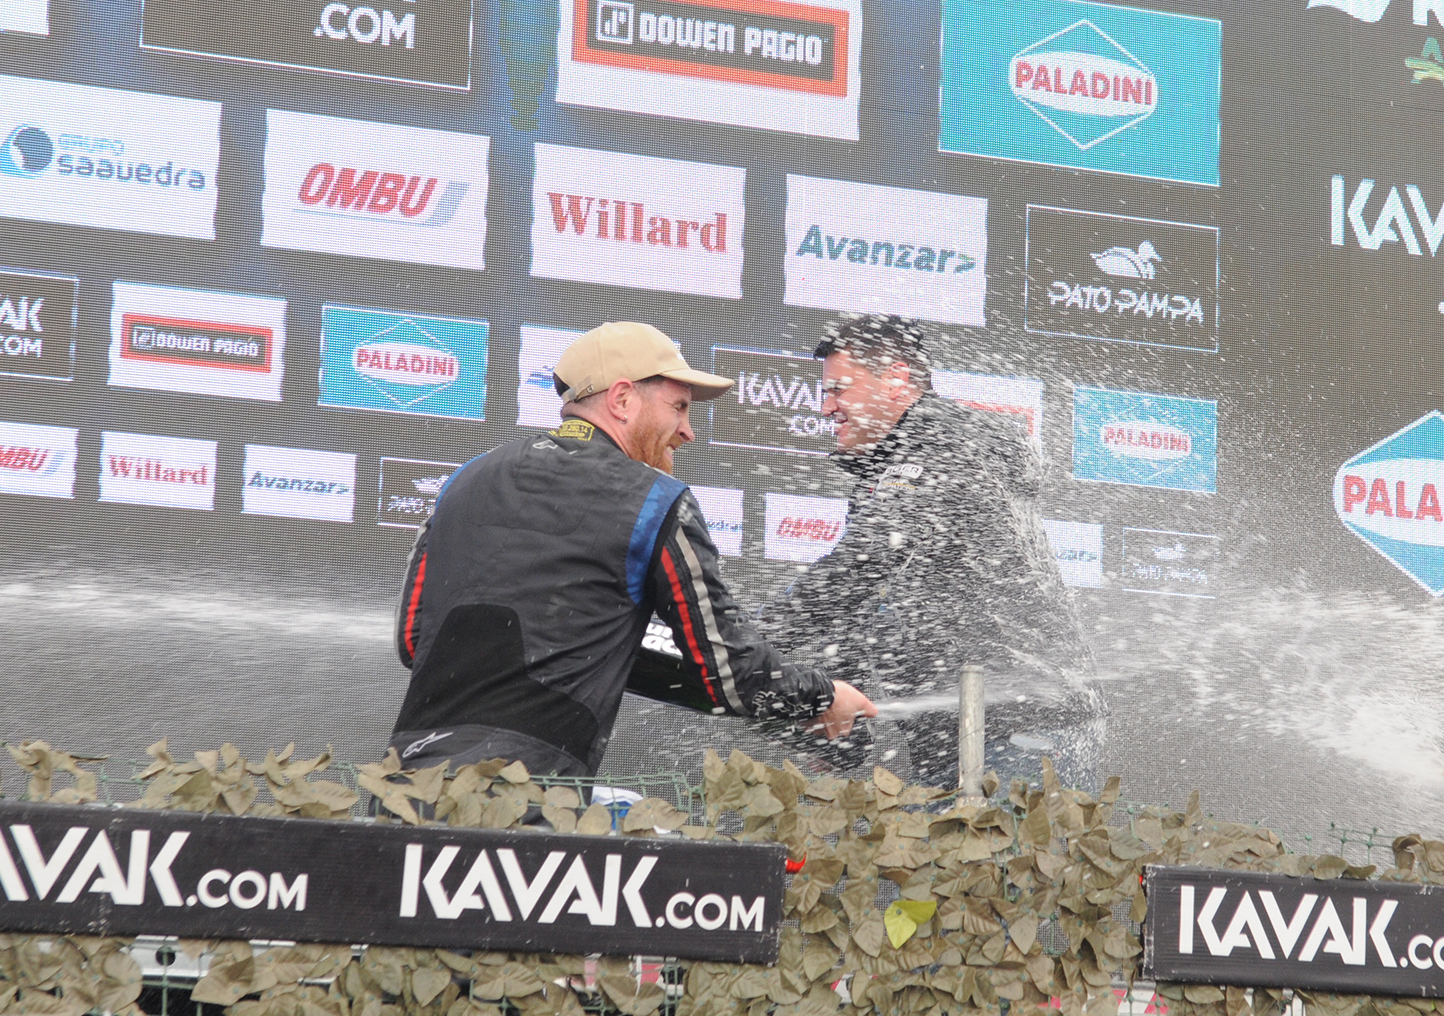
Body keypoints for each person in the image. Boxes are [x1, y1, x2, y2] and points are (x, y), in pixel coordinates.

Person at [386, 321, 876, 776]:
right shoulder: (656, 499)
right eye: (679, 408)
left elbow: (414, 640)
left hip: (406, 780)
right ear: (622, 399)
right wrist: (822, 696)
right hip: (526, 797)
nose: (689, 431)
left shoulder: (467, 477)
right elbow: (729, 674)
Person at [757, 314, 1106, 789]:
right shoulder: (897, 467)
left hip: (1015, 733)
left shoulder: (941, 442)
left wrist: (748, 642)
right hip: (968, 733)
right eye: (826, 393)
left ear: (897, 379)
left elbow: (869, 561)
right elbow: (868, 602)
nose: (827, 408)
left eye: (839, 389)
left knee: (1002, 865)